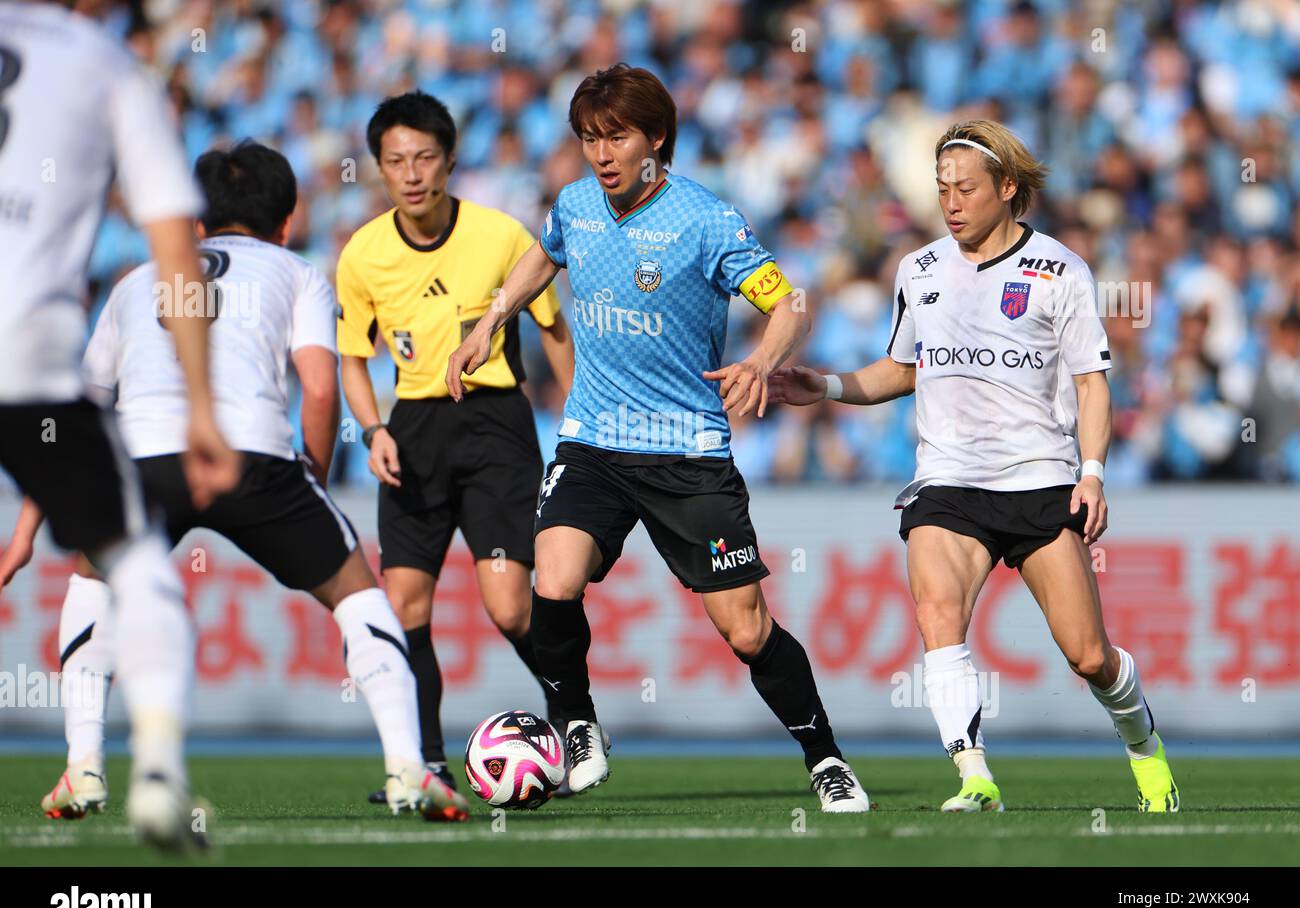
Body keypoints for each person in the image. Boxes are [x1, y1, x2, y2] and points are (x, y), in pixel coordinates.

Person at [0, 142, 469, 824]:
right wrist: (310, 470)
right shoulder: (297, 270)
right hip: (251, 455)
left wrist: (21, 537)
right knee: (356, 594)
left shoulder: (136, 282)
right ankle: (407, 768)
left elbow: (82, 415)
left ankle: (83, 769)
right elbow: (316, 383)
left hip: (143, 460)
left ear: (195, 224)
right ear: (286, 221)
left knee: (92, 585)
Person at [446, 64, 871, 812]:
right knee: (553, 576)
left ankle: (825, 757)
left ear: (657, 138)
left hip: (686, 453)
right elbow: (545, 255)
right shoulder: (575, 205)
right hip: (594, 441)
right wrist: (491, 320)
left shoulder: (705, 220)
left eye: (617, 137)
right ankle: (576, 722)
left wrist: (760, 361)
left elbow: (789, 302)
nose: (602, 154)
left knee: (745, 631)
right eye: (589, 138)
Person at [768, 119, 1180, 813]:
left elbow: (1091, 383)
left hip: (1039, 480)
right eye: (942, 189)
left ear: (1007, 189)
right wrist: (830, 387)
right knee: (937, 614)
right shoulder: (920, 270)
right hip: (948, 481)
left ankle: (1143, 743)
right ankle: (975, 777)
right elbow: (903, 371)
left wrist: (1093, 472)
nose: (951, 202)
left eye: (965, 189)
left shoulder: (1059, 270)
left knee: (1088, 657)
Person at [0, 0, 240, 848]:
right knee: (136, 564)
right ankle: (161, 776)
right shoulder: (109, 66)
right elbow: (176, 242)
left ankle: (89, 763)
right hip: (28, 356)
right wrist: (204, 407)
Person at [337, 92, 574, 803]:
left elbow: (555, 330)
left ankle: (574, 723)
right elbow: (353, 356)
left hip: (496, 425)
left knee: (509, 609)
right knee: (404, 603)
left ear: (449, 161)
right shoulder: (364, 253)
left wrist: (580, 420)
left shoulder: (501, 236)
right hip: (412, 431)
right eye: (396, 161)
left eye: (425, 158)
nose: (412, 174)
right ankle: (424, 765)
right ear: (379, 168)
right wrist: (373, 429)